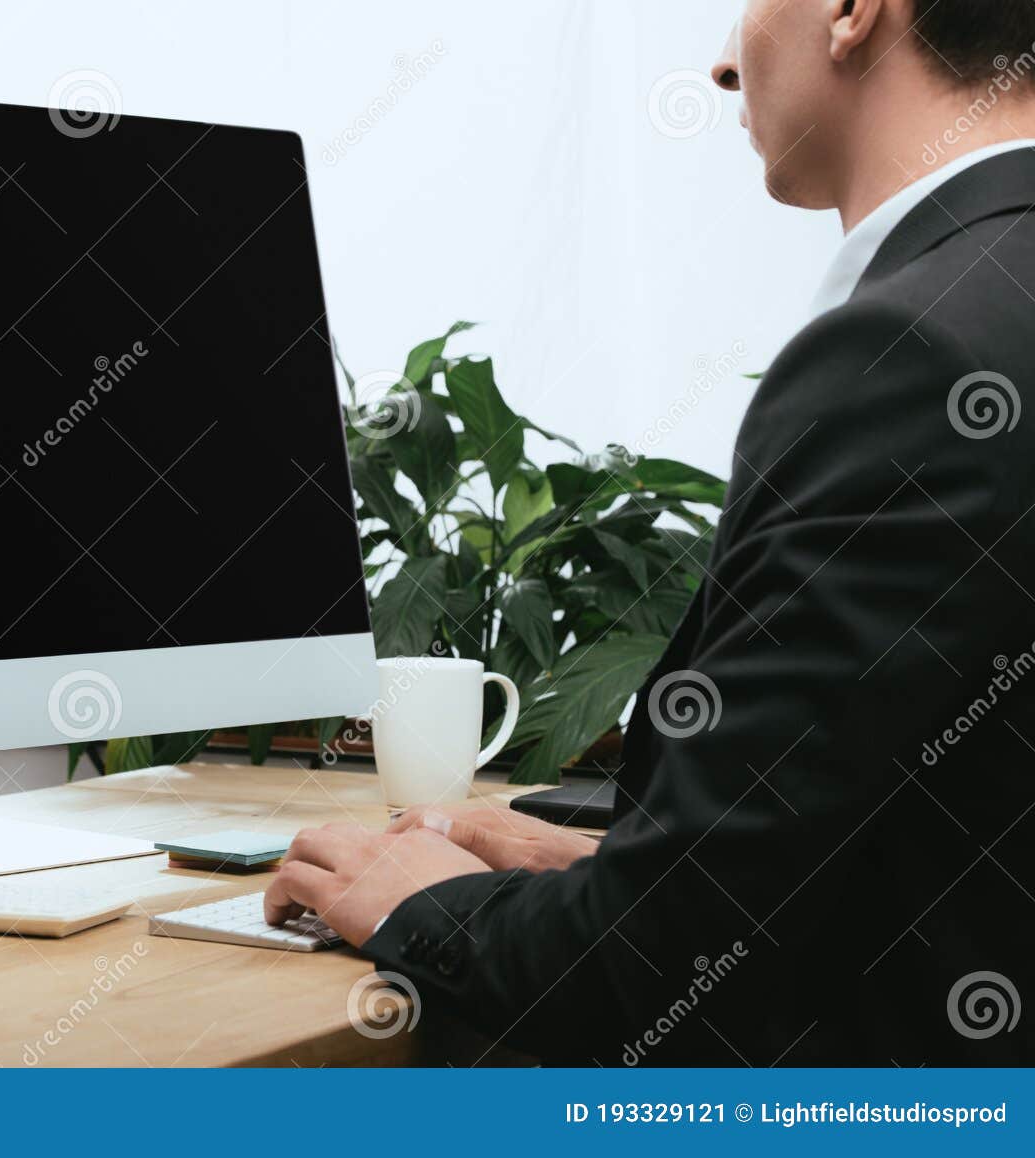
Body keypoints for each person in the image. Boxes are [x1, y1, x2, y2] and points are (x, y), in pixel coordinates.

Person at [266, 0, 1035, 1065]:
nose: (722, 64)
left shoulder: (911, 351)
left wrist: (427, 905)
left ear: (854, 13)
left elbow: (664, 968)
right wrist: (627, 870)